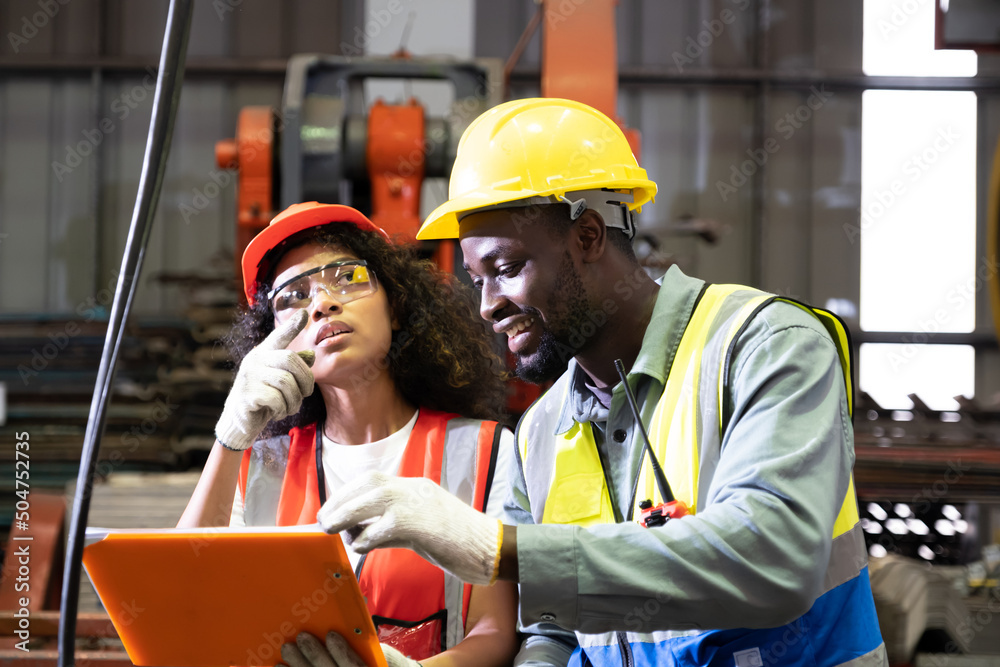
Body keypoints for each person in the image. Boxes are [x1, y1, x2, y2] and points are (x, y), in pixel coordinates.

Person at [308, 98, 888, 667]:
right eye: (477, 278)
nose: (487, 307)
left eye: (506, 269)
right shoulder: (540, 430)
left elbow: (774, 561)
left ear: (588, 236)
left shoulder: (762, 345)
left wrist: (493, 547)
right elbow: (553, 631)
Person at [177, 202, 520, 667]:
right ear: (275, 340)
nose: (322, 302)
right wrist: (230, 436)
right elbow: (184, 597)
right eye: (293, 296)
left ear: (396, 307)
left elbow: (495, 631)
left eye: (347, 277)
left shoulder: (485, 448)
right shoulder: (256, 465)